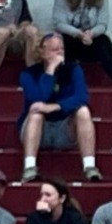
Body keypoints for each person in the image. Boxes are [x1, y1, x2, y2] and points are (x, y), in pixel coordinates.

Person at [18, 33, 99, 184]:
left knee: (83, 111)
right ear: (42, 52)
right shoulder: (28, 74)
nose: (59, 53)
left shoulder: (74, 69)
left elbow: (82, 97)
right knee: (37, 113)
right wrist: (50, 71)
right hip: (37, 130)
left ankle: (90, 167)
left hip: (64, 127)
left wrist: (55, 107)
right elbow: (37, 99)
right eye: (54, 50)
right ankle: (29, 168)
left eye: (61, 49)